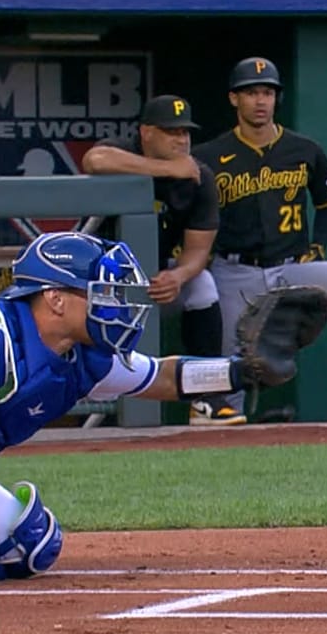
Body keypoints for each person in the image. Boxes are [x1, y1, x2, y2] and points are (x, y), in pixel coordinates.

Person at [0, 232, 327, 580]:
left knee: (32, 544)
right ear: (55, 299)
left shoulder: (83, 357)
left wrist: (241, 372)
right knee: (27, 541)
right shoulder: (3, 339)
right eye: (101, 293)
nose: (115, 305)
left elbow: (164, 378)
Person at [194, 57, 327, 422]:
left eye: (267, 93)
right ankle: (211, 414)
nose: (261, 101)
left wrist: (317, 247)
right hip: (233, 271)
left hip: (289, 268)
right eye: (251, 93)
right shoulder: (210, 156)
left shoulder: (304, 150)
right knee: (228, 367)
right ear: (234, 99)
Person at [80, 95, 233, 424]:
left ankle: (206, 395)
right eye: (171, 131)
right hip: (93, 286)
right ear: (146, 132)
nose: (182, 139)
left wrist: (178, 277)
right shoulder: (124, 150)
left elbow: (197, 249)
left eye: (185, 133)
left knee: (202, 284)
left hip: (154, 281)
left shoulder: (198, 176)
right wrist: (165, 169)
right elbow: (94, 160)